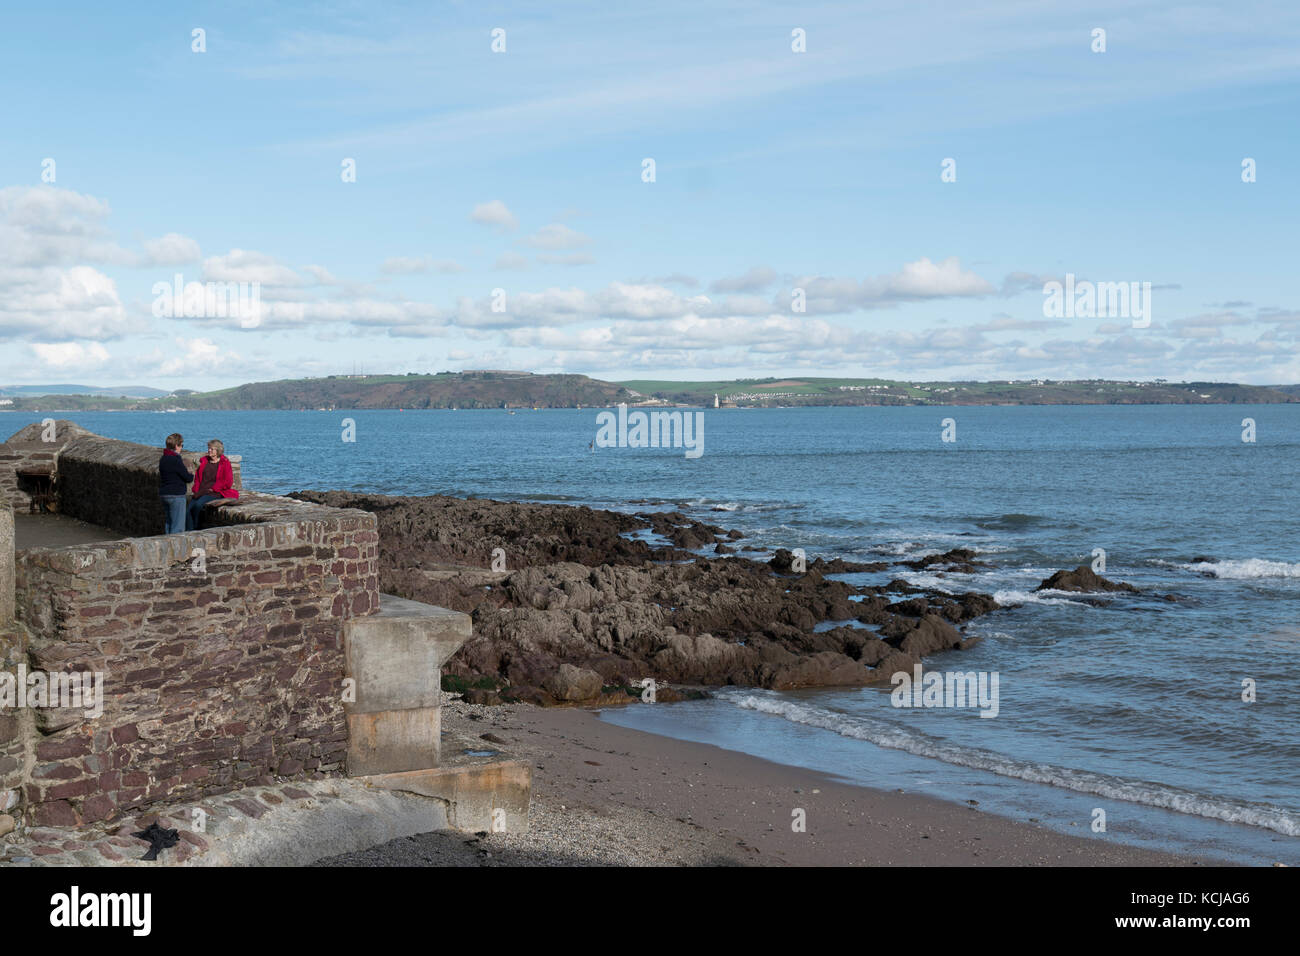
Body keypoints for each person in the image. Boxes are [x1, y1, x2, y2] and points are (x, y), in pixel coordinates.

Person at [187, 438, 240, 530]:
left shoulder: (224, 463)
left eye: (211, 449)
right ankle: (189, 531)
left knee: (198, 506)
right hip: (201, 491)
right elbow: (198, 479)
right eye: (208, 448)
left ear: (218, 451)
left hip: (215, 492)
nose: (209, 450)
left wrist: (213, 489)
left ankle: (196, 529)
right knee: (187, 510)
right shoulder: (204, 461)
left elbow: (228, 481)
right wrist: (196, 490)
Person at [158, 433, 192, 534]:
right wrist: (191, 473)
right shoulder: (175, 460)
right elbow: (187, 478)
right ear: (177, 446)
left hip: (165, 494)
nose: (181, 448)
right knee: (178, 528)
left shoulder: (163, 458)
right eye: (182, 445)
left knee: (169, 524)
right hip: (176, 495)